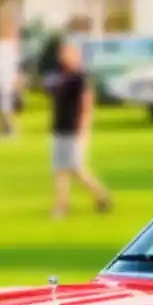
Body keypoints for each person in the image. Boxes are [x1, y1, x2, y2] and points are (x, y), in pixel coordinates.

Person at [48, 40, 112, 217]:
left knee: (77, 168)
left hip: (73, 129)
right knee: (59, 169)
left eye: (67, 53)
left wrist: (84, 129)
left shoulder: (80, 77)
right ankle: (61, 205)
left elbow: (86, 104)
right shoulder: (60, 75)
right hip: (59, 128)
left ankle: (102, 195)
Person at [0, 17, 21, 137]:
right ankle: (5, 130)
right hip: (2, 80)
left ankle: (8, 130)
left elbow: (15, 65)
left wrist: (16, 78)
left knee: (7, 106)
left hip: (7, 80)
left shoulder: (8, 47)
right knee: (3, 106)